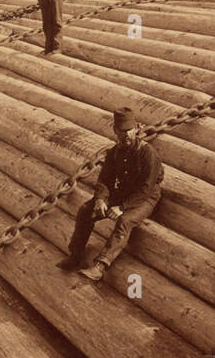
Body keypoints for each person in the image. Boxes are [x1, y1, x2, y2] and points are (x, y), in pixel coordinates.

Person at [58, 108, 163, 281]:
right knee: (86, 210)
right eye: (122, 131)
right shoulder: (114, 153)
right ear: (115, 131)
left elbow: (146, 188)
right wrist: (100, 199)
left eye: (129, 130)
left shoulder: (148, 153)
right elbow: (104, 180)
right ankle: (75, 256)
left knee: (125, 221)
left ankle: (100, 266)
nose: (126, 135)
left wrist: (122, 208)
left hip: (146, 197)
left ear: (136, 128)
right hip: (124, 192)